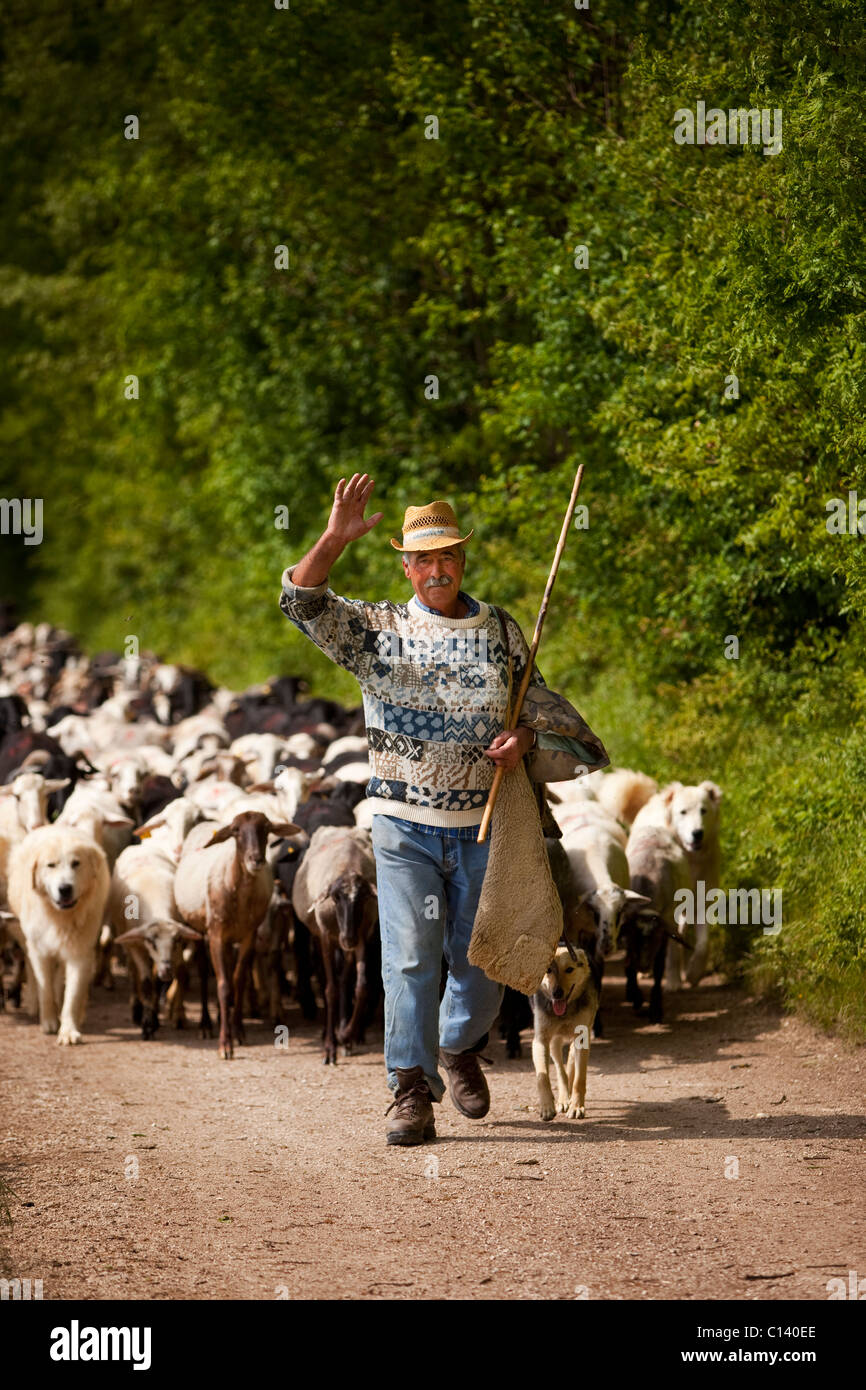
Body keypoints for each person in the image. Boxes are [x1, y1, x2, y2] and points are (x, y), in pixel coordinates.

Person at [280, 473, 607, 1145]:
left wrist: (525, 741)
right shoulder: (377, 630)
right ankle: (409, 1088)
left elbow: (538, 711)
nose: (436, 570)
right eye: (422, 558)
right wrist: (334, 538)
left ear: (463, 560)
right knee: (408, 958)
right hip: (403, 828)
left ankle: (458, 1046)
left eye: (447, 556)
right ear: (406, 565)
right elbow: (300, 601)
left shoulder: (501, 631)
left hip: (487, 827)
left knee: (484, 959)